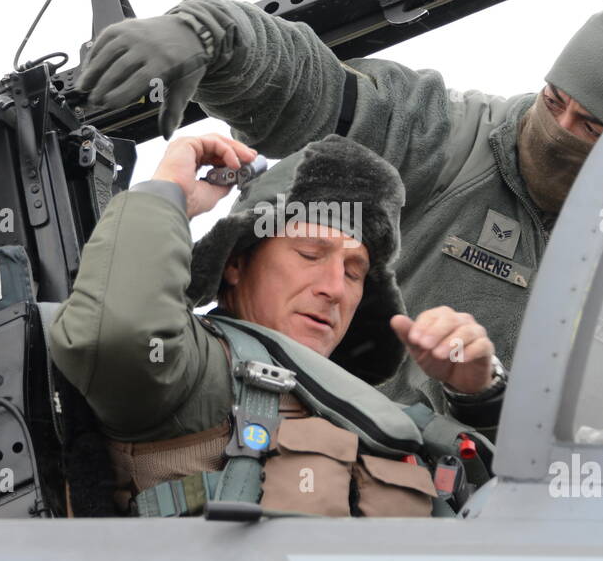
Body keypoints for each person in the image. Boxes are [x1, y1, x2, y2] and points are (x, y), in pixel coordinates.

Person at [73, 0, 603, 411]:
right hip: (338, 466)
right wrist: (211, 37)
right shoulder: (450, 138)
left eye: (591, 125)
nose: (559, 128)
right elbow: (319, 94)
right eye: (553, 101)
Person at [47, 132, 501, 518]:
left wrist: (479, 397)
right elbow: (120, 335)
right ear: (237, 264)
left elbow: (521, 514)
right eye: (309, 254)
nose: (334, 288)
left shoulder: (380, 418)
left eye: (354, 270)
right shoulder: (195, 371)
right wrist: (169, 191)